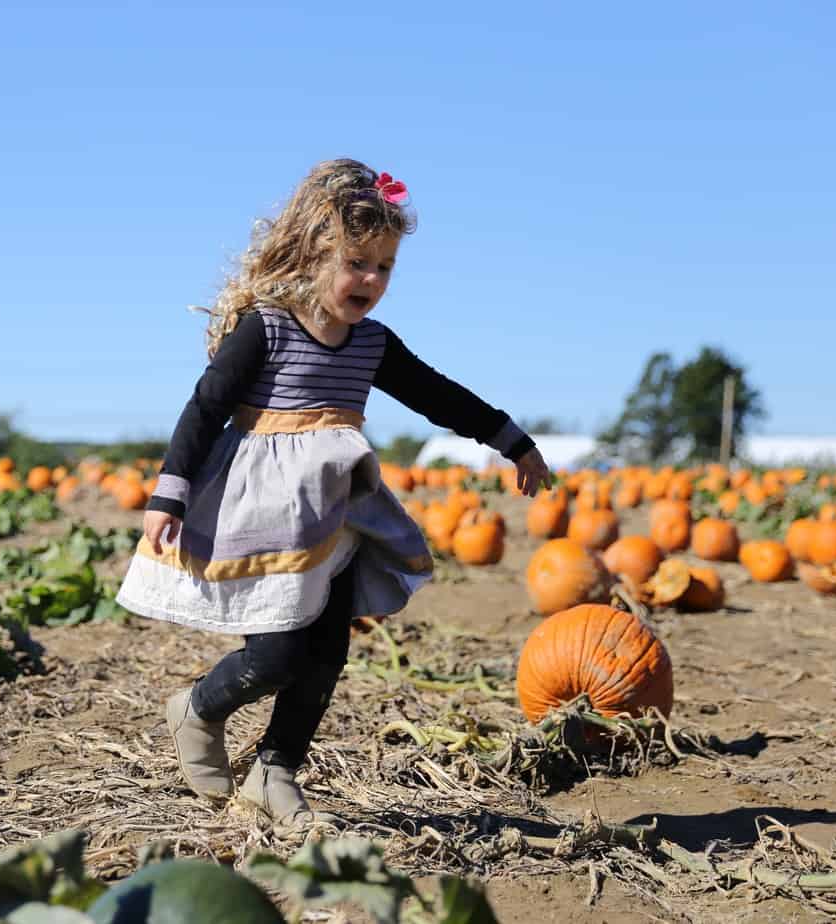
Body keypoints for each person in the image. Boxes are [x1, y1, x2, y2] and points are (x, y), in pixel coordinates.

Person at [115, 158, 553, 831]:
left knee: (326, 653)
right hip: (260, 509)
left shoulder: (371, 345)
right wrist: (168, 494)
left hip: (335, 512)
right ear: (317, 253)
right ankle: (198, 709)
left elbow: (438, 395)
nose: (372, 281)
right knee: (276, 654)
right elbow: (205, 407)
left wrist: (511, 439)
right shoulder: (267, 327)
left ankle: (275, 770)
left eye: (385, 267)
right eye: (358, 263)